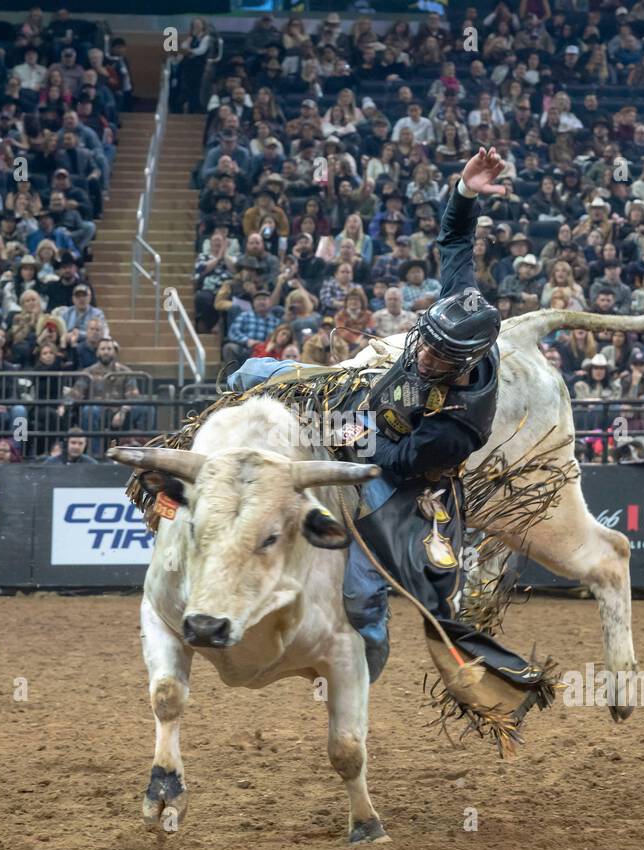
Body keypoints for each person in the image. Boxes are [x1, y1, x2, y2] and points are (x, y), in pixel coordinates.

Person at [225, 148, 552, 710]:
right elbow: (454, 241)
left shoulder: (461, 424)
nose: (423, 354)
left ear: (466, 362)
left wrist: (354, 439)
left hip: (402, 482)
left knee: (360, 594)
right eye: (424, 341)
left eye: (437, 356)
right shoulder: (456, 309)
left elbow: (399, 463)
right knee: (251, 372)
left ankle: (359, 672)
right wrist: (466, 191)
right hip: (364, 401)